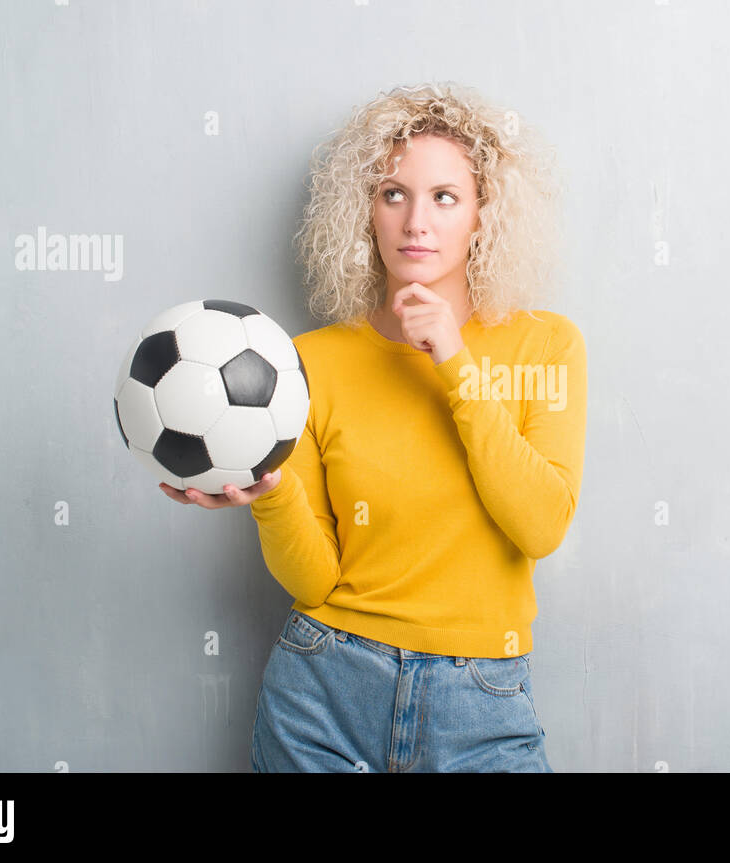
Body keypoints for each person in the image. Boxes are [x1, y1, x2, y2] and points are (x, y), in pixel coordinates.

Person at [160, 82, 586, 772]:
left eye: (445, 197)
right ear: (366, 212)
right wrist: (269, 494)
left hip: (481, 700)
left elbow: (540, 523)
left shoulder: (548, 346)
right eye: (393, 194)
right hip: (324, 688)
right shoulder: (308, 363)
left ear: (483, 215)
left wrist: (454, 360)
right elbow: (316, 580)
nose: (416, 220)